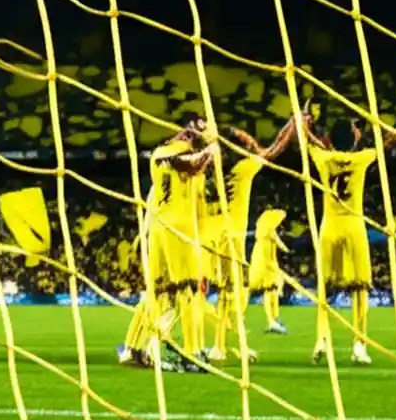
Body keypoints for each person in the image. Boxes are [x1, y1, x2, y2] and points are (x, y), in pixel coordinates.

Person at [118, 113, 220, 366]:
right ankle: (191, 351)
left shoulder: (158, 154)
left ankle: (133, 348)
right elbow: (192, 168)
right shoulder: (186, 160)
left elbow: (154, 197)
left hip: (158, 228)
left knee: (156, 292)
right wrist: (210, 152)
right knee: (189, 289)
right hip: (180, 229)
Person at [306, 117, 396, 366]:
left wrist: (306, 124)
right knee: (360, 288)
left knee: (323, 288)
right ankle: (359, 345)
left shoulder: (323, 158)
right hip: (353, 225)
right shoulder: (362, 158)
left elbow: (307, 140)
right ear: (352, 138)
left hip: (329, 226)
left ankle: (321, 338)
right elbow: (388, 144)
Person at [202, 118, 297, 362]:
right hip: (231, 236)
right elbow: (271, 150)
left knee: (197, 291)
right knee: (234, 293)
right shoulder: (245, 168)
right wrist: (291, 126)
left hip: (207, 234)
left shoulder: (207, 166)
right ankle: (234, 345)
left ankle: (216, 346)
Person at [248, 207, 289, 334]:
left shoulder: (268, 232)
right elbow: (273, 249)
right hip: (264, 263)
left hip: (269, 262)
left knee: (273, 290)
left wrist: (286, 249)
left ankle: (275, 318)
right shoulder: (267, 234)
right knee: (268, 290)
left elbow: (279, 243)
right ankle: (271, 320)